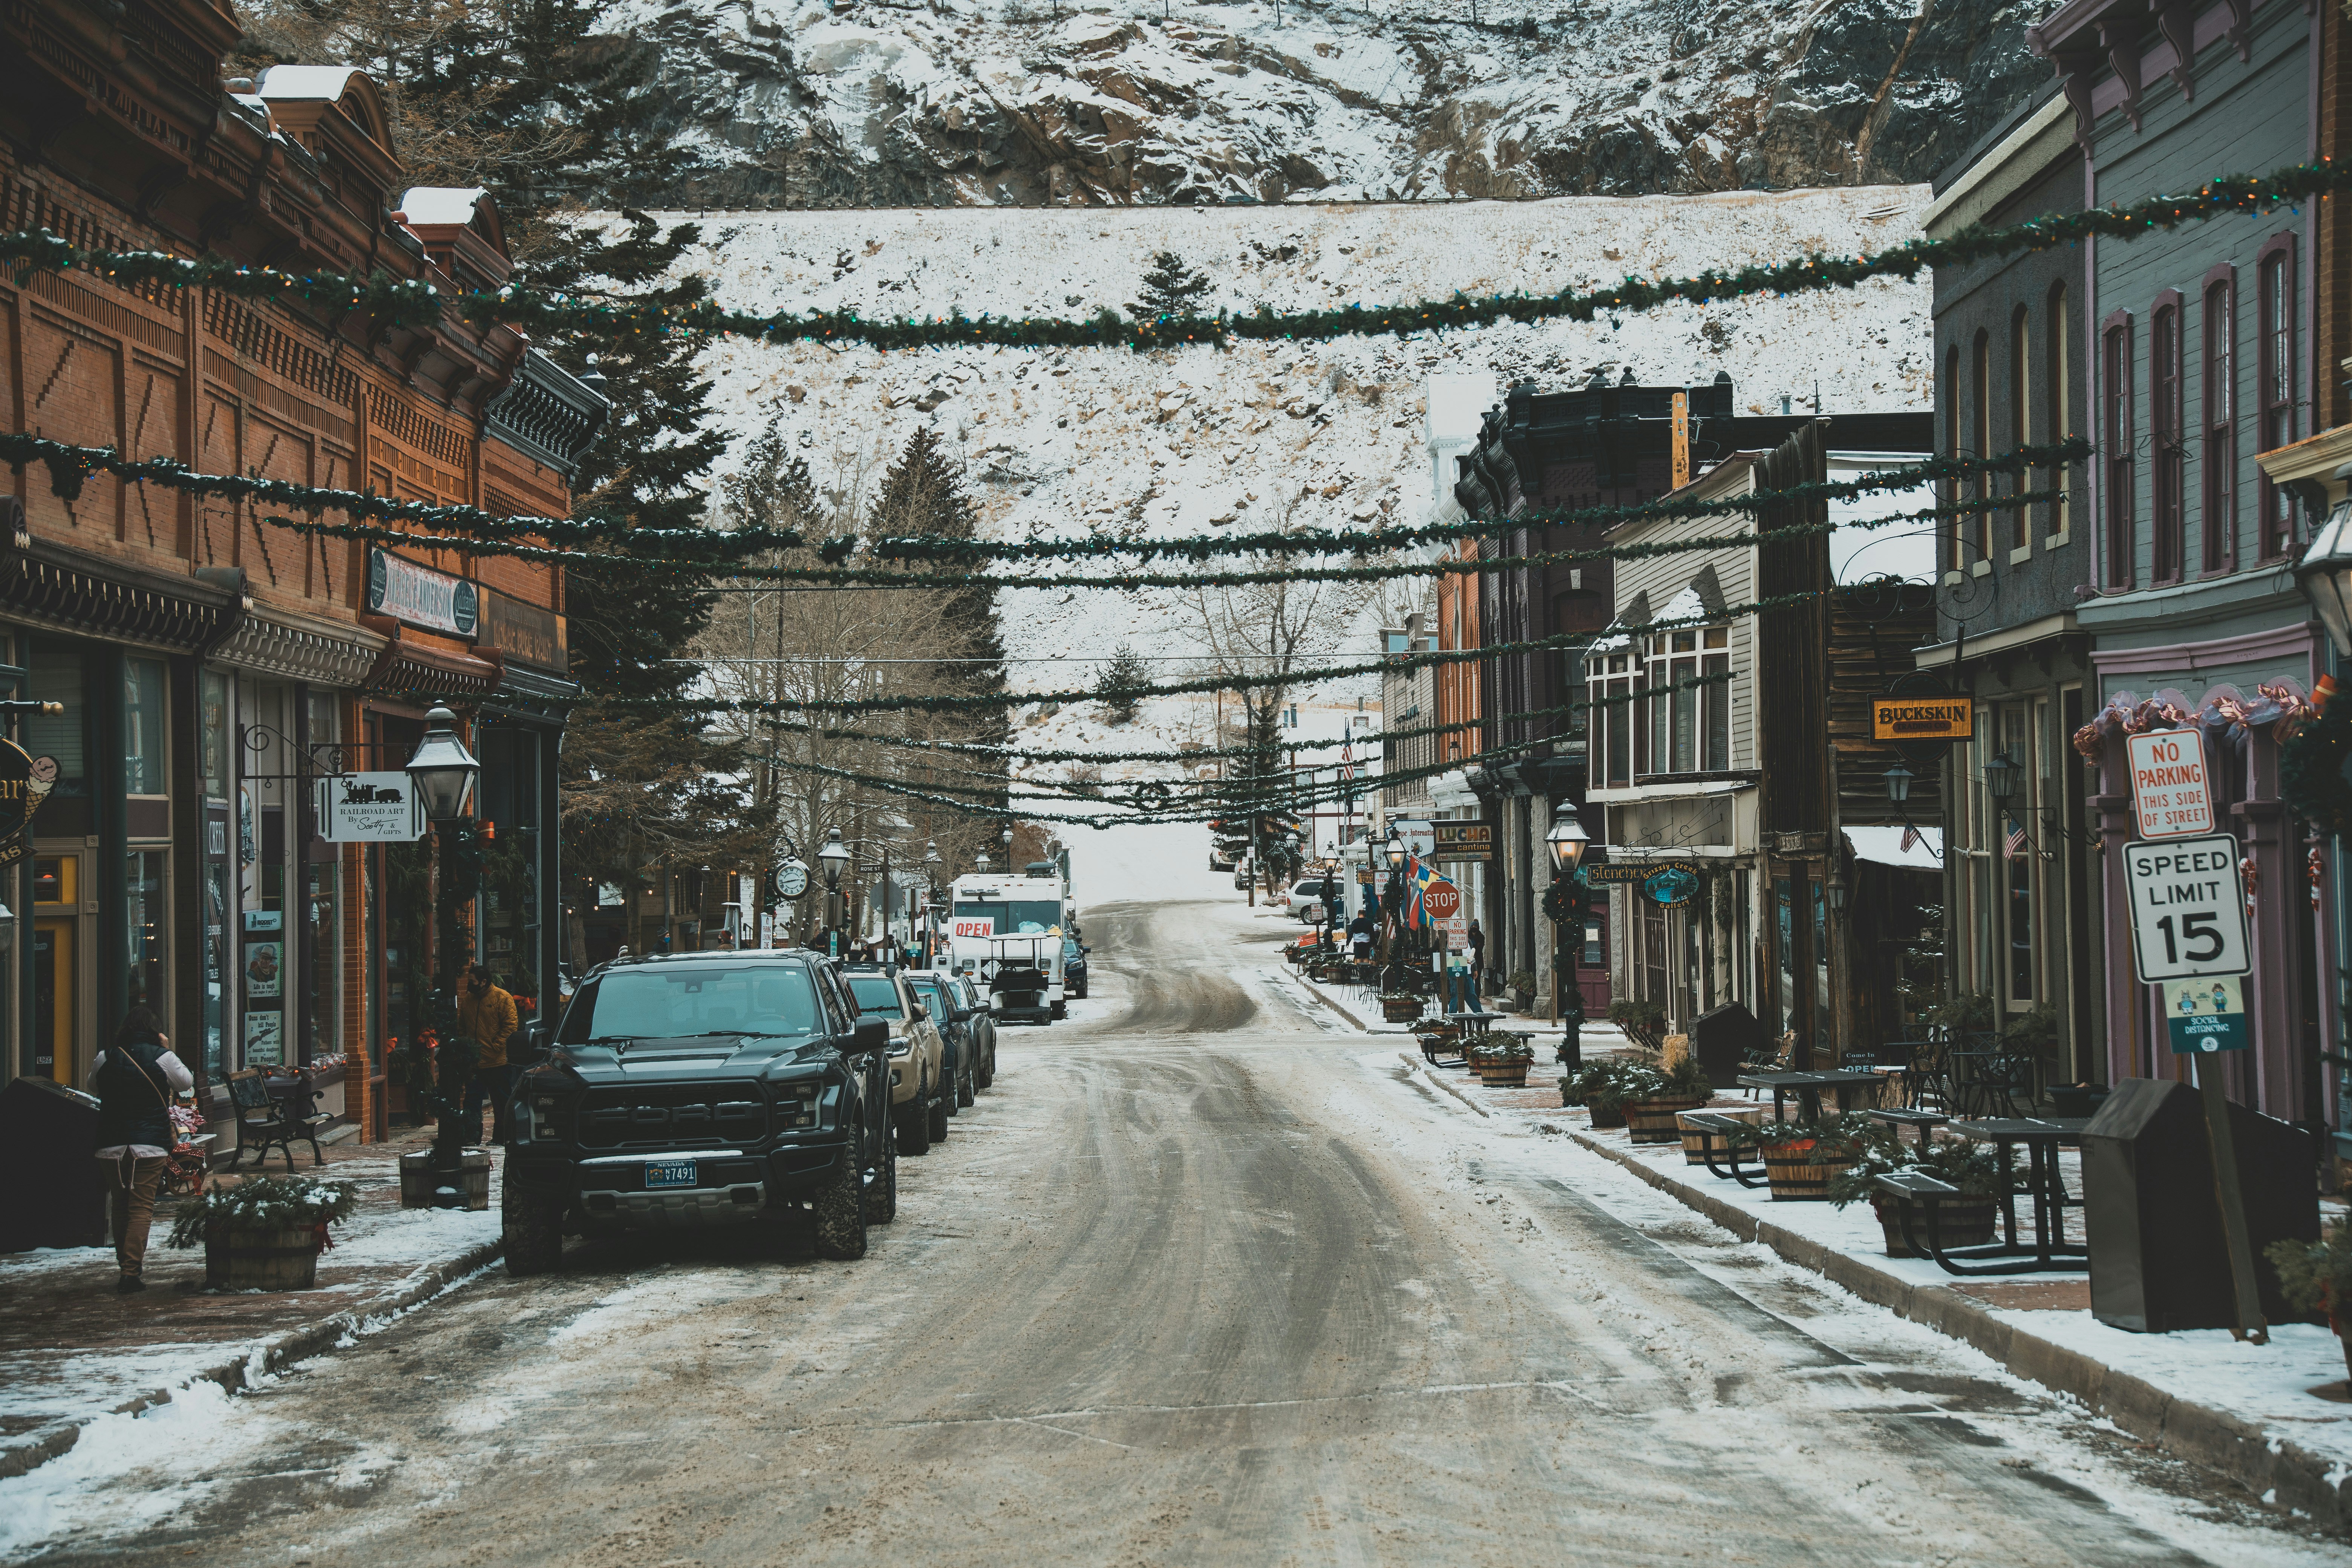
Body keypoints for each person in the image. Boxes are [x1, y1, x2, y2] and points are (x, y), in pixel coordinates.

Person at [90, 1006, 193, 1293]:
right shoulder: (164, 1057)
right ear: (155, 1031)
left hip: (110, 1144)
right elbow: (186, 1083)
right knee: (141, 1208)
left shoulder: (106, 1057)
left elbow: (92, 1084)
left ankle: (126, 1266)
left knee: (121, 1204)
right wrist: (166, 1049)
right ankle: (131, 1272)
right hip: (149, 1146)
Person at [457, 965, 519, 1145]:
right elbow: (462, 1026)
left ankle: (501, 1138)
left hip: (497, 1062)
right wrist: (466, 1047)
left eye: (472, 981)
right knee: (471, 1102)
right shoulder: (469, 1000)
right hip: (475, 1062)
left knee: (501, 1102)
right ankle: (471, 1138)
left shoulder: (502, 998)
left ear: (484, 982)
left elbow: (510, 1027)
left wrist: (494, 1047)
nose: (470, 985)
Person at [1467, 920, 1487, 1002]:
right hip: (1469, 960)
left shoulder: (1481, 937)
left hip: (1478, 960)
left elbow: (1478, 949)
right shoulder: (1468, 936)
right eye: (1472, 927)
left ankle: (1477, 997)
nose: (1473, 928)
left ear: (1478, 928)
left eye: (1475, 927)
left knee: (1477, 980)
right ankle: (1471, 995)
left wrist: (1472, 951)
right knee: (1470, 978)